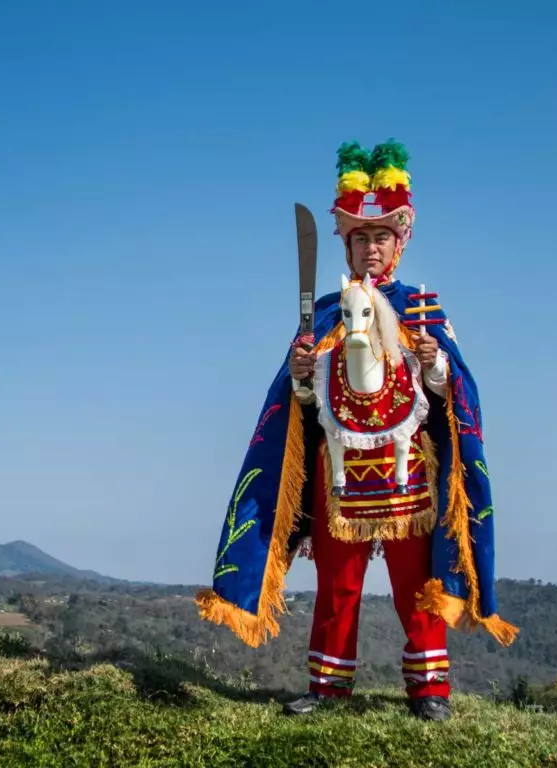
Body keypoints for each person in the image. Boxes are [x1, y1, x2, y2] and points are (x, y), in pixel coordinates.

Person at [195, 139, 516, 722]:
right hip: (337, 475)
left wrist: (432, 364)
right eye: (361, 238)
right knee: (337, 587)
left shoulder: (423, 309)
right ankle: (327, 687)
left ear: (400, 242)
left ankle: (430, 693)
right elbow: (303, 407)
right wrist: (297, 378)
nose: (372, 248)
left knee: (412, 586)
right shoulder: (324, 314)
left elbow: (455, 394)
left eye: (382, 238)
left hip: (408, 476)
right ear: (346, 243)